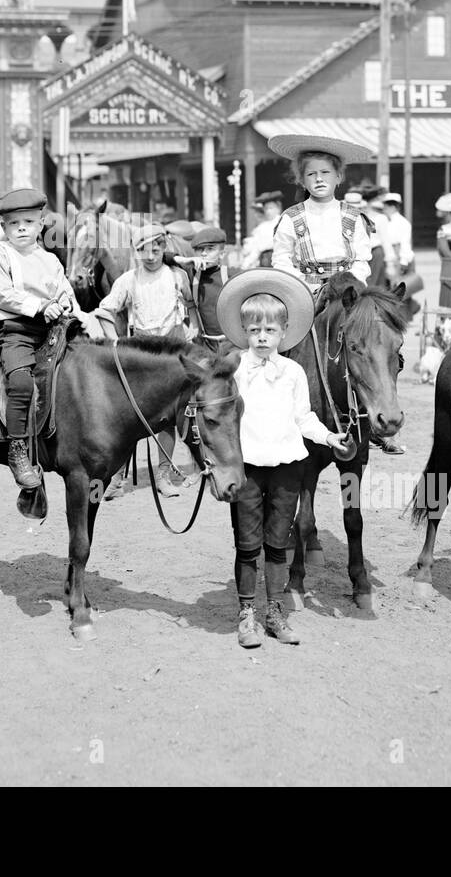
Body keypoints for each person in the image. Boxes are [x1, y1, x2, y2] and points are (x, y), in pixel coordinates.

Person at [215, 269, 354, 648]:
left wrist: (329, 437)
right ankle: (247, 613)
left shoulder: (293, 372)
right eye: (255, 330)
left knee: (278, 543)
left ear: (284, 332)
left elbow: (303, 417)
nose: (262, 337)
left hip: (288, 468)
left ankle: (274, 611)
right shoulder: (234, 369)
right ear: (244, 331)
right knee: (247, 544)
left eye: (270, 330)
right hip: (248, 470)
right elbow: (221, 418)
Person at [0, 188, 100, 491]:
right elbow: (4, 295)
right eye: (14, 223)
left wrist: (76, 312)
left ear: (40, 225)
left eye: (29, 222)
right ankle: (17, 447)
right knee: (20, 382)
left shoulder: (50, 260)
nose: (22, 228)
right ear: (4, 228)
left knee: (86, 372)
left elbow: (64, 292)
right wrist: (41, 306)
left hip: (52, 332)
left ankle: (84, 435)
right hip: (17, 331)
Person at [96, 221, 195, 497]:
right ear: (136, 252)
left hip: (172, 352)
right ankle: (116, 479)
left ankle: (163, 475)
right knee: (129, 417)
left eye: (155, 249)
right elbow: (105, 310)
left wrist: (192, 329)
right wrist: (114, 341)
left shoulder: (177, 276)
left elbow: (191, 305)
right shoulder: (127, 280)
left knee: (168, 416)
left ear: (164, 247)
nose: (150, 256)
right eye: (143, 251)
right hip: (141, 354)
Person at [268, 135, 373, 293]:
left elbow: (362, 259)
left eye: (325, 172)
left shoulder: (354, 216)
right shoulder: (291, 217)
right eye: (311, 174)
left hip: (347, 290)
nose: (319, 179)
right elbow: (281, 259)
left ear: (338, 177)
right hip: (306, 290)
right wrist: (302, 284)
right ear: (302, 181)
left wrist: (350, 282)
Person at [179, 225, 230, 353]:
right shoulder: (191, 274)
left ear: (222, 254)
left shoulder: (231, 274)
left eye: (210, 249)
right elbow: (165, 258)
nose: (204, 253)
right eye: (199, 249)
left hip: (232, 344)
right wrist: (186, 260)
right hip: (206, 344)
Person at [242, 191, 284, 267]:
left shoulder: (283, 223)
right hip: (264, 261)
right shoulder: (261, 227)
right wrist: (247, 263)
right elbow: (256, 249)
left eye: (271, 208)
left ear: (278, 209)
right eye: (266, 209)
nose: (268, 211)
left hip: (281, 260)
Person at [379, 191, 414, 277]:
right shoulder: (384, 220)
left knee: (396, 286)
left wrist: (404, 262)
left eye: (385, 207)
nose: (384, 210)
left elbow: (405, 243)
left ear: (393, 207)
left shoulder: (403, 223)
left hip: (398, 257)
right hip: (386, 256)